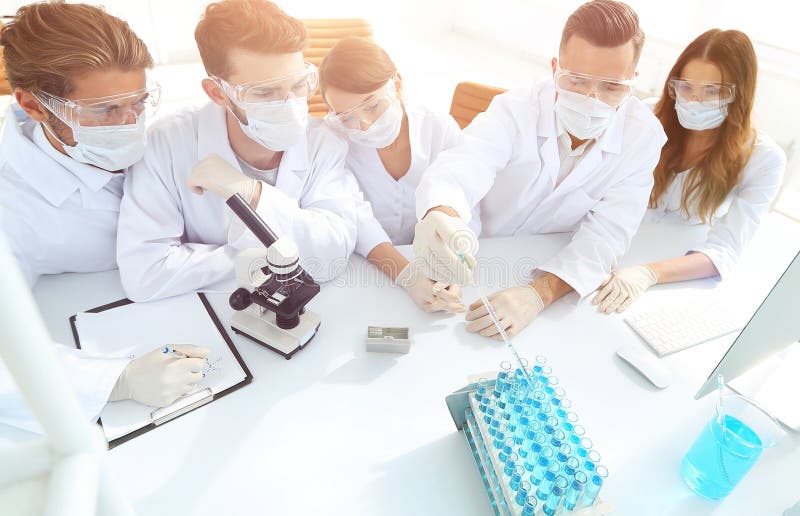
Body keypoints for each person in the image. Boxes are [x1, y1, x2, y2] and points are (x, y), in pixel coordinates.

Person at [0, 2, 206, 431]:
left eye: (139, 102)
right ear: (34, 106)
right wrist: (114, 381)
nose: (131, 123)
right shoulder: (12, 204)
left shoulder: (160, 133)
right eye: (105, 111)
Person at [412, 0, 666, 338]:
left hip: (551, 268)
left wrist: (539, 294)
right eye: (576, 80)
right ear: (554, 68)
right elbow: (464, 164)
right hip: (474, 251)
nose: (592, 97)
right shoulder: (515, 108)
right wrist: (441, 213)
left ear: (632, 82)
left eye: (611, 86)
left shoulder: (643, 137)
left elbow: (606, 236)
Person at [116, 0, 361, 302]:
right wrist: (275, 259)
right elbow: (146, 274)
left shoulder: (324, 142)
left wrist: (249, 192)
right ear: (218, 92)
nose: (289, 104)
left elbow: (333, 253)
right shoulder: (165, 144)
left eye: (298, 85)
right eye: (263, 92)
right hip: (204, 314)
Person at [592, 29, 786, 313]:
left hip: (675, 271)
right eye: (686, 87)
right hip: (608, 246)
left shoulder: (763, 158)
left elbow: (725, 249)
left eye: (712, 91)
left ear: (739, 94)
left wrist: (648, 273)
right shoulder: (645, 118)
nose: (694, 101)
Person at [319, 37, 467, 313]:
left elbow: (461, 195)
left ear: (397, 83)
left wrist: (452, 267)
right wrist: (407, 276)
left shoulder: (438, 127)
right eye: (346, 116)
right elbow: (355, 216)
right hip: (367, 266)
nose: (364, 124)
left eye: (372, 105)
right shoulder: (333, 138)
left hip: (432, 260)